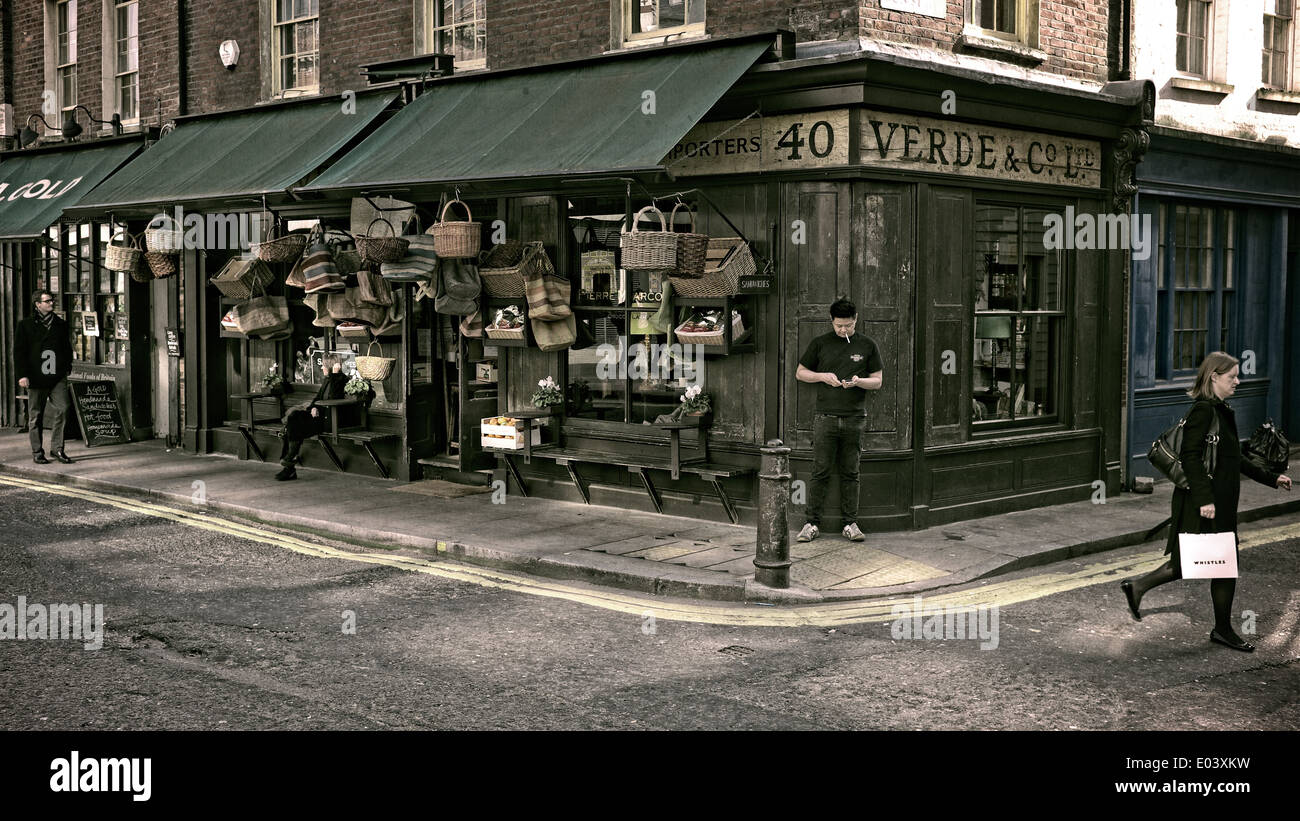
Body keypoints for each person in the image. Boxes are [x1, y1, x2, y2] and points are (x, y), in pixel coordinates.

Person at [1120, 352, 1292, 651]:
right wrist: (1204, 499)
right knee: (1212, 564)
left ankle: (1138, 588)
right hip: (1205, 501)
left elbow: (1233, 457)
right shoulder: (1203, 410)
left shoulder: (1221, 409)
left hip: (1219, 501)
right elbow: (1189, 456)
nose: (1237, 381)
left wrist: (1271, 478)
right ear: (1214, 377)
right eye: (1232, 377)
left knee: (1203, 562)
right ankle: (1221, 629)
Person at [794, 297, 884, 542]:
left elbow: (877, 380)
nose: (843, 330)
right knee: (819, 471)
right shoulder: (820, 343)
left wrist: (859, 382)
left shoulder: (867, 345)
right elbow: (800, 373)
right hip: (825, 417)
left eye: (848, 326)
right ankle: (811, 523)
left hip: (855, 418)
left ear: (855, 320)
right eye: (839, 326)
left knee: (851, 472)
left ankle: (850, 524)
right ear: (832, 322)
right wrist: (823, 377)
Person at [14, 290, 75, 465]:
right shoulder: (25, 325)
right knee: (36, 416)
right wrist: (22, 375)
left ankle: (57, 449)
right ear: (37, 304)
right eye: (47, 301)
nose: (51, 303)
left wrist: (67, 367)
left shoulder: (60, 324)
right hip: (35, 377)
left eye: (52, 300)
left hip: (57, 377)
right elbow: (19, 352)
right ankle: (37, 451)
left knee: (63, 408)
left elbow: (66, 348)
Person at [276, 355, 348, 481]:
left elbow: (333, 397)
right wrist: (313, 407)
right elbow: (317, 399)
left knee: (294, 428)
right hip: (318, 415)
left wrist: (335, 375)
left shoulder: (340, 379)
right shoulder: (327, 379)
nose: (322, 367)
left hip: (330, 419)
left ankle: (289, 465)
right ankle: (289, 462)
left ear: (331, 367)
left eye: (324, 365)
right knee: (293, 417)